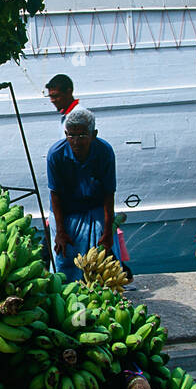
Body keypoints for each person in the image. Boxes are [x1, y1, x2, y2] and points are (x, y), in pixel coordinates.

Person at [47, 106, 121, 281]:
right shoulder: (56, 154)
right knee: (64, 254)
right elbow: (55, 195)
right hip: (66, 210)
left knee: (103, 253)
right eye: (71, 135)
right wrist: (60, 231)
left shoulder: (104, 152)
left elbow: (108, 193)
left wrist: (108, 230)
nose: (76, 142)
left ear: (93, 134)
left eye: (82, 136)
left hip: (95, 206)